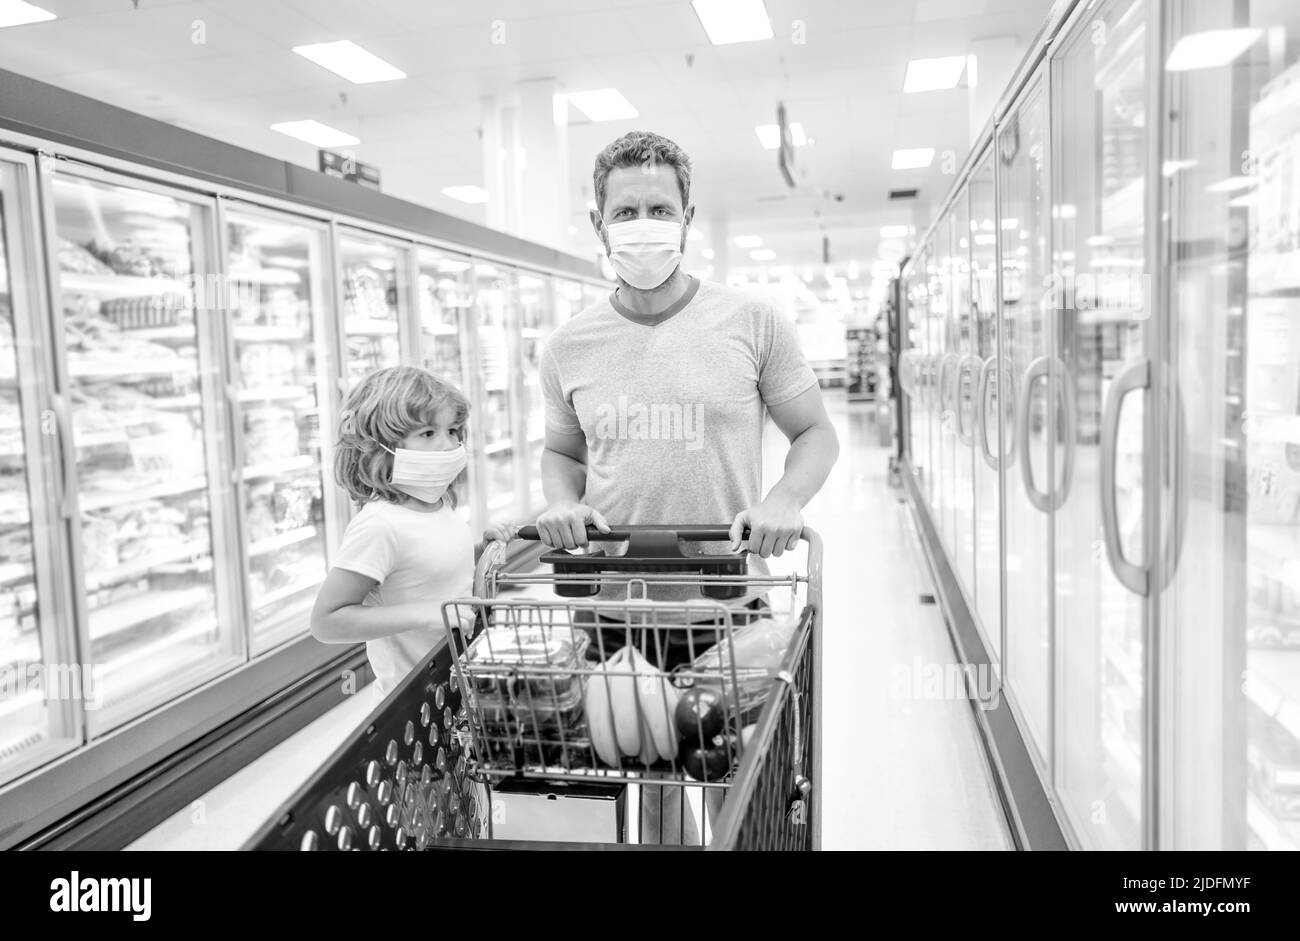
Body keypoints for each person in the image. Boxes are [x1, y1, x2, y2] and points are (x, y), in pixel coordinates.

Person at [536, 130, 840, 842]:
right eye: (627, 210)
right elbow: (561, 451)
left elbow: (816, 434)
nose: (644, 225)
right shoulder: (567, 346)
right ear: (598, 224)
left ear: (687, 217)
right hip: (615, 615)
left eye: (659, 208)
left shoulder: (752, 321)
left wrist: (783, 499)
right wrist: (561, 500)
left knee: (749, 799)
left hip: (728, 609)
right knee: (653, 798)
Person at [310, 366, 510, 697]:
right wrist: (425, 614)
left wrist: (480, 553)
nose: (449, 444)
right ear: (380, 446)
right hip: (416, 704)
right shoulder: (379, 525)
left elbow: (425, 573)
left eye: (453, 430)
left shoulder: (438, 504)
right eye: (428, 433)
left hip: (458, 683)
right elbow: (327, 621)